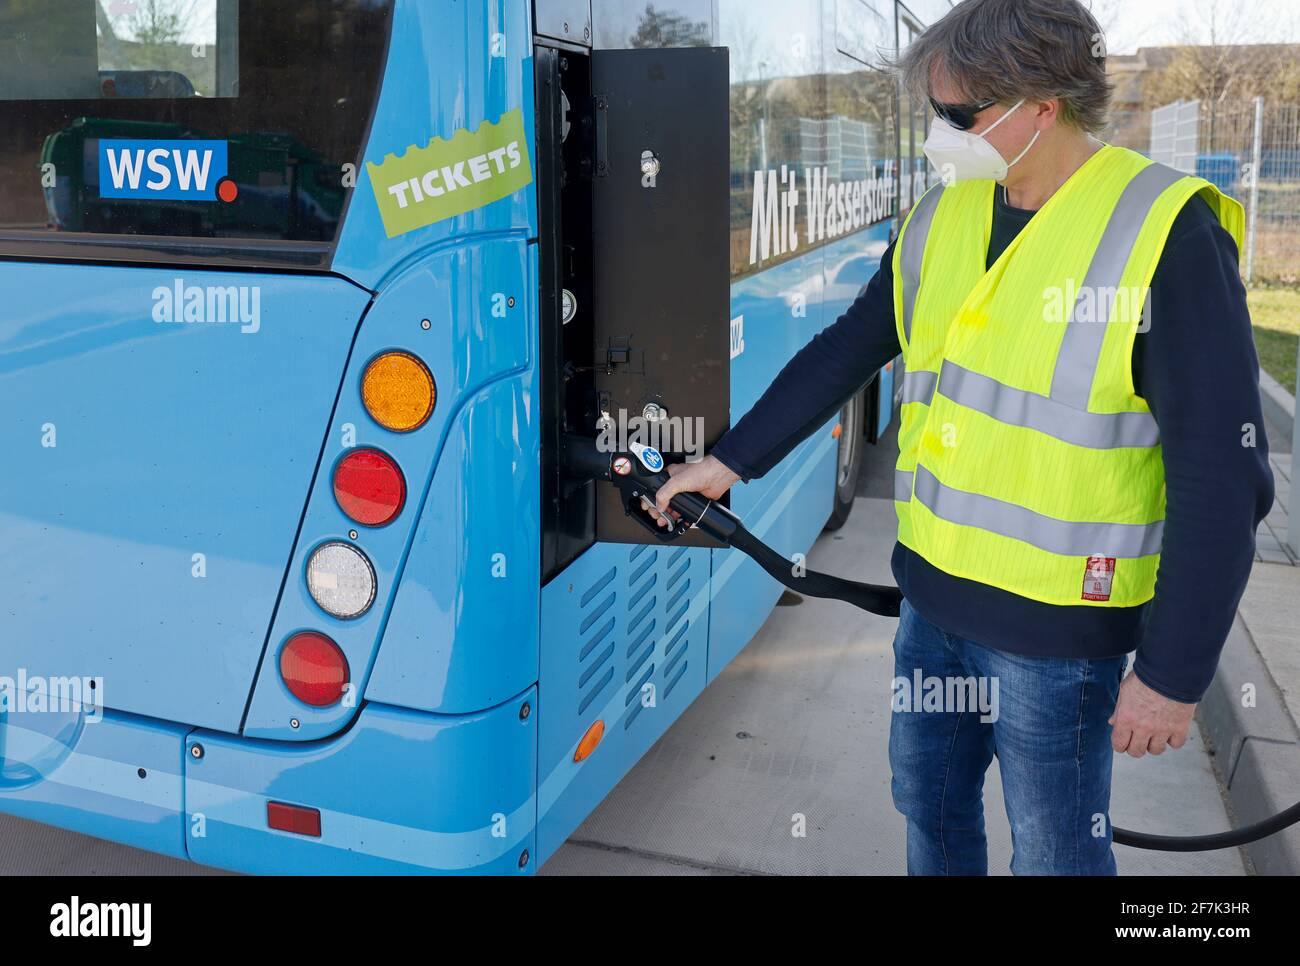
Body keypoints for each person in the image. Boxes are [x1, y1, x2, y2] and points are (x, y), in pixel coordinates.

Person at [647, 0, 1275, 875]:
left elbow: (1220, 474)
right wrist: (728, 462)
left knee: (1055, 855)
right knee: (931, 814)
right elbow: (850, 348)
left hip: (1058, 639)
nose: (941, 134)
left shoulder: (1164, 235)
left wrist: (1171, 674)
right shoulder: (945, 217)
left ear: (1042, 107)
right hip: (933, 609)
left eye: (959, 115)